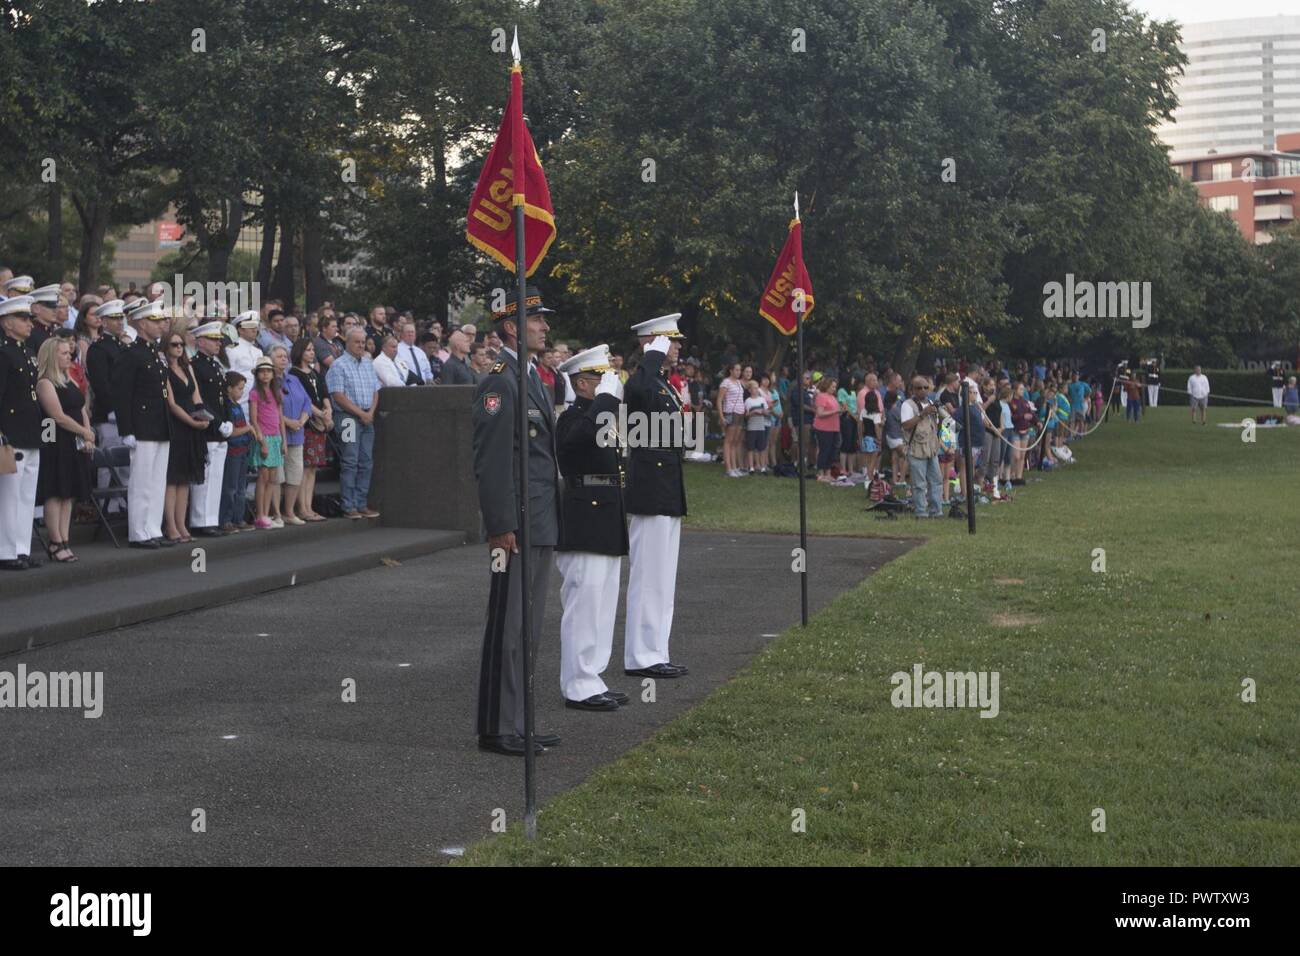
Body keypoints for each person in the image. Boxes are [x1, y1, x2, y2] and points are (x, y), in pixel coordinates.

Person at [472, 285, 562, 756]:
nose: (545, 326)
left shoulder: (531, 376)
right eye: (537, 319)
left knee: (529, 627)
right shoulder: (500, 381)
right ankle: (500, 726)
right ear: (511, 326)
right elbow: (491, 462)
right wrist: (500, 526)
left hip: (541, 518)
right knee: (510, 625)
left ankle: (521, 721)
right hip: (518, 524)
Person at [553, 345, 628, 712]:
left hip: (606, 515)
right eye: (600, 379)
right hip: (584, 518)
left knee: (602, 604)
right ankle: (577, 684)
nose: (608, 384)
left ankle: (592, 677)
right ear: (583, 383)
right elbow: (574, 441)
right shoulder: (572, 417)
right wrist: (604, 402)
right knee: (584, 604)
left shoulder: (600, 415)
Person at [622, 312, 690, 679]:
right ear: (653, 342)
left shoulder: (664, 384)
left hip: (666, 486)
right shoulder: (642, 380)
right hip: (650, 486)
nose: (677, 346)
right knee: (649, 574)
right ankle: (641, 654)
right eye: (671, 340)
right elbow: (636, 394)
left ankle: (655, 650)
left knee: (663, 576)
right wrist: (651, 355)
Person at [112, 299, 174, 549]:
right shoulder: (131, 354)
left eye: (161, 321)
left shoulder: (154, 353)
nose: (161, 325)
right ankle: (139, 531)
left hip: (159, 424)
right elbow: (122, 394)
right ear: (141, 323)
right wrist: (126, 429)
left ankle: (152, 528)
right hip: (142, 425)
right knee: (142, 482)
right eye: (155, 321)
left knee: (157, 481)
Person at [35, 337, 94, 562]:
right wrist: (83, 431)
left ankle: (65, 539)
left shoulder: (67, 378)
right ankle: (55, 541)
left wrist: (87, 433)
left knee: (68, 493)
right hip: (55, 441)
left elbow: (81, 408)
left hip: (74, 440)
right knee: (56, 491)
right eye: (63, 353)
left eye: (69, 353)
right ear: (52, 355)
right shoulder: (45, 382)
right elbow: (57, 416)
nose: (68, 356)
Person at [0, 295, 44, 570]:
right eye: (23, 319)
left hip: (29, 431)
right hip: (11, 431)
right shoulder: (3, 353)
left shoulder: (27, 353)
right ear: (6, 323)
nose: (29, 324)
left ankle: (21, 547)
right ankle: (6, 550)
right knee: (10, 496)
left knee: (27, 494)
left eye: (29, 319)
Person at [326, 328, 381, 520]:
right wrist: (361, 414)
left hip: (367, 416)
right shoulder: (338, 366)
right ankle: (348, 505)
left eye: (363, 342)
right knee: (350, 460)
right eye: (357, 342)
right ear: (347, 343)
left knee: (366, 461)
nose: (361, 345)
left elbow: (376, 390)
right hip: (348, 417)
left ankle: (361, 503)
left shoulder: (367, 363)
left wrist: (370, 412)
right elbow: (338, 396)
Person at [161, 329, 209, 544]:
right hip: (176, 425)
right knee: (173, 479)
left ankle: (181, 523)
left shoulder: (186, 367)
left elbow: (196, 395)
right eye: (174, 344)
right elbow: (171, 403)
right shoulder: (164, 369)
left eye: (181, 344)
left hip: (193, 423)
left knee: (186, 480)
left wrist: (202, 416)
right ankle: (170, 524)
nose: (179, 348)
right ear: (165, 347)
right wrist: (190, 421)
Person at [187, 322, 234, 536]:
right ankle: (200, 520)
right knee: (204, 478)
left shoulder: (215, 365)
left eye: (219, 340)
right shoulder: (195, 365)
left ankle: (211, 518)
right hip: (207, 428)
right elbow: (201, 400)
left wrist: (228, 419)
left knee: (216, 477)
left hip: (220, 428)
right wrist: (216, 422)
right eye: (214, 339)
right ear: (200, 341)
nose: (218, 344)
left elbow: (222, 398)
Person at [289, 339, 331, 522]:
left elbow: (323, 393)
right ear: (299, 352)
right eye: (308, 350)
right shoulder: (294, 373)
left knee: (313, 467)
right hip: (306, 423)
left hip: (319, 422)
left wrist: (327, 409)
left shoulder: (314, 372)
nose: (312, 353)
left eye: (313, 350)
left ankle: (309, 505)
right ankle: (302, 508)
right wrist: (321, 414)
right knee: (305, 467)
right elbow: (305, 399)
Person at [275, 344, 312, 525]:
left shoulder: (293, 380)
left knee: (295, 473)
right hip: (277, 434)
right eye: (279, 356)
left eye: (285, 356)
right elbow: (268, 408)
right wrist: (288, 422)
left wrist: (302, 420)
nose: (283, 359)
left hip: (297, 433)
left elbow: (307, 401)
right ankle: (275, 513)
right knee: (277, 476)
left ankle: (289, 512)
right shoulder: (266, 380)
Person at [247, 356, 286, 530]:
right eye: (262, 371)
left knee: (271, 478)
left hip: (276, 436)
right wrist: (261, 441)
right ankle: (260, 514)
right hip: (264, 437)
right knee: (263, 477)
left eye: (268, 371)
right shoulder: (254, 393)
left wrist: (283, 440)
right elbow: (254, 419)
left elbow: (280, 419)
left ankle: (267, 512)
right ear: (257, 374)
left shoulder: (276, 392)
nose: (265, 374)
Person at [900, 375, 944, 518]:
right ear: (912, 389)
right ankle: (921, 512)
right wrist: (922, 414)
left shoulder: (932, 402)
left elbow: (937, 426)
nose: (923, 390)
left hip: (932, 448)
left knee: (936, 481)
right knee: (919, 484)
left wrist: (940, 417)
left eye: (926, 387)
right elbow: (906, 425)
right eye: (919, 388)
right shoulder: (907, 404)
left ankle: (936, 511)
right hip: (916, 448)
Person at [219, 372, 254, 533]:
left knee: (241, 487)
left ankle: (238, 518)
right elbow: (231, 431)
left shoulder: (238, 406)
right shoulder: (226, 406)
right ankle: (225, 519)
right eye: (239, 389)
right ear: (229, 389)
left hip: (242, 450)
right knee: (230, 487)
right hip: (232, 451)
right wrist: (247, 429)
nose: (241, 392)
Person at [227, 312, 264, 420]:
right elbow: (230, 377)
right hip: (240, 402)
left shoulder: (258, 351)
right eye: (250, 326)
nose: (254, 330)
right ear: (240, 329)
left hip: (257, 402)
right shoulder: (231, 349)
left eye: (255, 326)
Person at [718, 362, 745, 476]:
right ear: (731, 370)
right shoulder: (726, 382)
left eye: (740, 370)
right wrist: (721, 416)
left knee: (734, 441)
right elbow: (719, 400)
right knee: (728, 441)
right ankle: (728, 469)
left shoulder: (739, 382)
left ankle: (734, 467)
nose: (739, 372)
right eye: (737, 370)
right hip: (731, 412)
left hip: (740, 413)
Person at [812, 375, 840, 480]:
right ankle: (821, 472)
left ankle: (828, 472)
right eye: (832, 386)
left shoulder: (833, 397)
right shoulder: (821, 396)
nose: (834, 389)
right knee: (825, 450)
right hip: (823, 428)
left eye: (835, 387)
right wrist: (835, 411)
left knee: (832, 451)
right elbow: (820, 413)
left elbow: (834, 412)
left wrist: (841, 411)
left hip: (834, 428)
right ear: (827, 386)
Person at [743, 378, 770, 474]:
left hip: (761, 427)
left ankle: (762, 467)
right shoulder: (747, 401)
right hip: (751, 427)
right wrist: (753, 412)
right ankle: (751, 467)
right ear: (749, 390)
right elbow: (745, 415)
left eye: (757, 388)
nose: (756, 390)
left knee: (761, 448)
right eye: (754, 388)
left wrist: (763, 412)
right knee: (750, 448)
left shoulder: (762, 399)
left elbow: (767, 412)